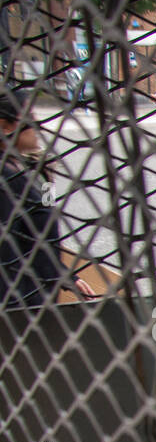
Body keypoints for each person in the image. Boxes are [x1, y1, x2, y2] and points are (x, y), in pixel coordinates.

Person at [0, 88, 94, 308]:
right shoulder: (7, 179)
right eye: (29, 118)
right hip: (23, 307)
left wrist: (65, 275)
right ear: (4, 127)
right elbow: (7, 253)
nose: (37, 125)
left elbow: (41, 234)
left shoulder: (34, 169)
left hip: (42, 300)